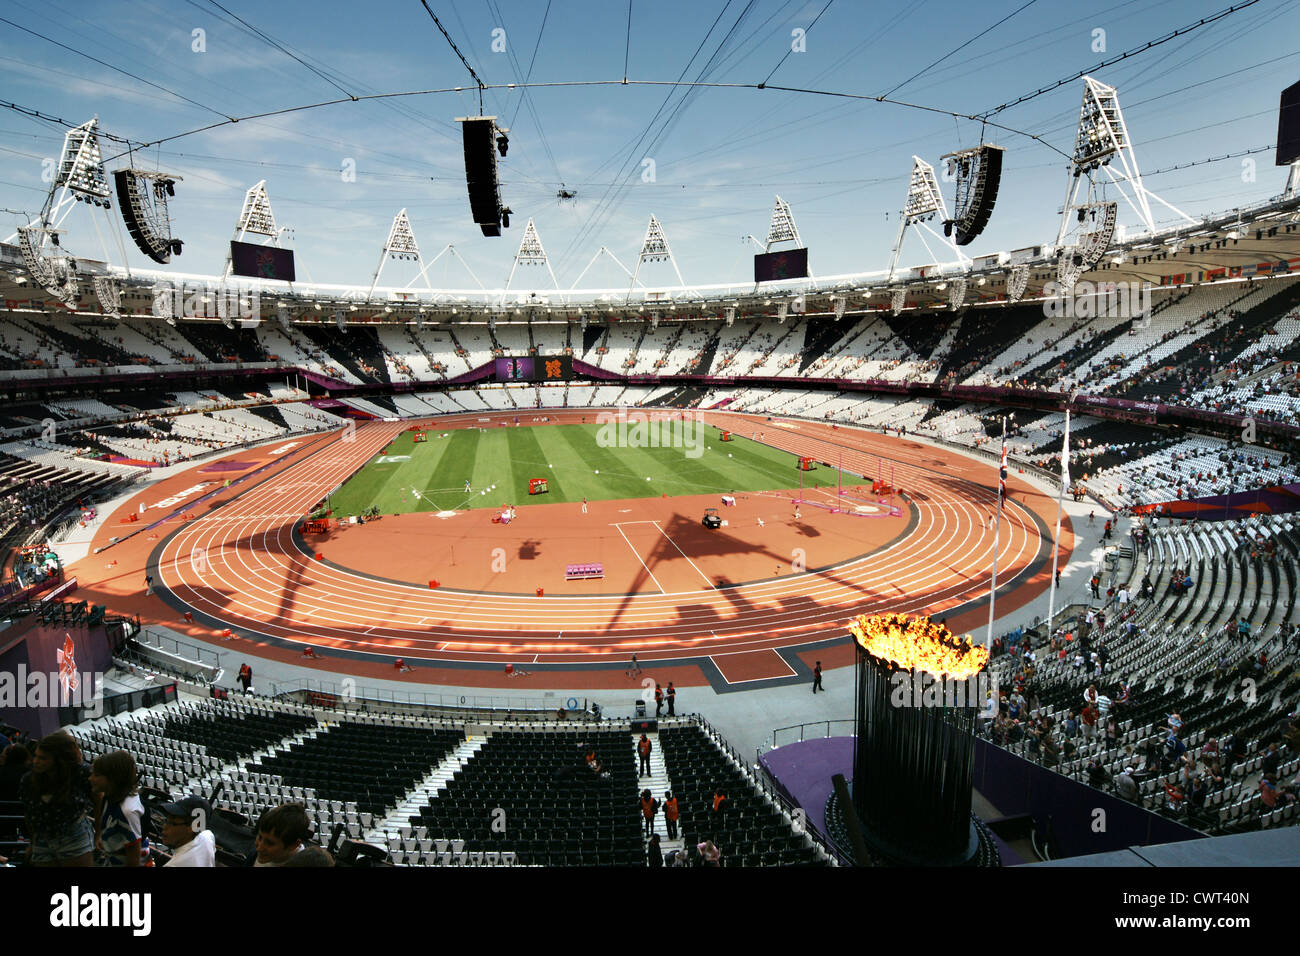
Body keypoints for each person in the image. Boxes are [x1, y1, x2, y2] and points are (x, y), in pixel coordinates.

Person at [19, 731, 95, 867]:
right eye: (36, 756)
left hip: (74, 835)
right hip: (41, 838)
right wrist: (33, 843)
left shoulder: (80, 773)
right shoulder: (27, 780)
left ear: (58, 760)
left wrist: (99, 831)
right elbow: (29, 813)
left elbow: (98, 797)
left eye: (42, 758)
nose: (36, 761)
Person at [90, 750, 149, 867]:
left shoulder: (127, 811)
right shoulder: (109, 797)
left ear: (113, 779)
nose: (90, 779)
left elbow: (134, 858)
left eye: (96, 775)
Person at [159, 795, 216, 867]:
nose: (164, 827)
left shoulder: (175, 865)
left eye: (173, 823)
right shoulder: (207, 837)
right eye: (166, 821)